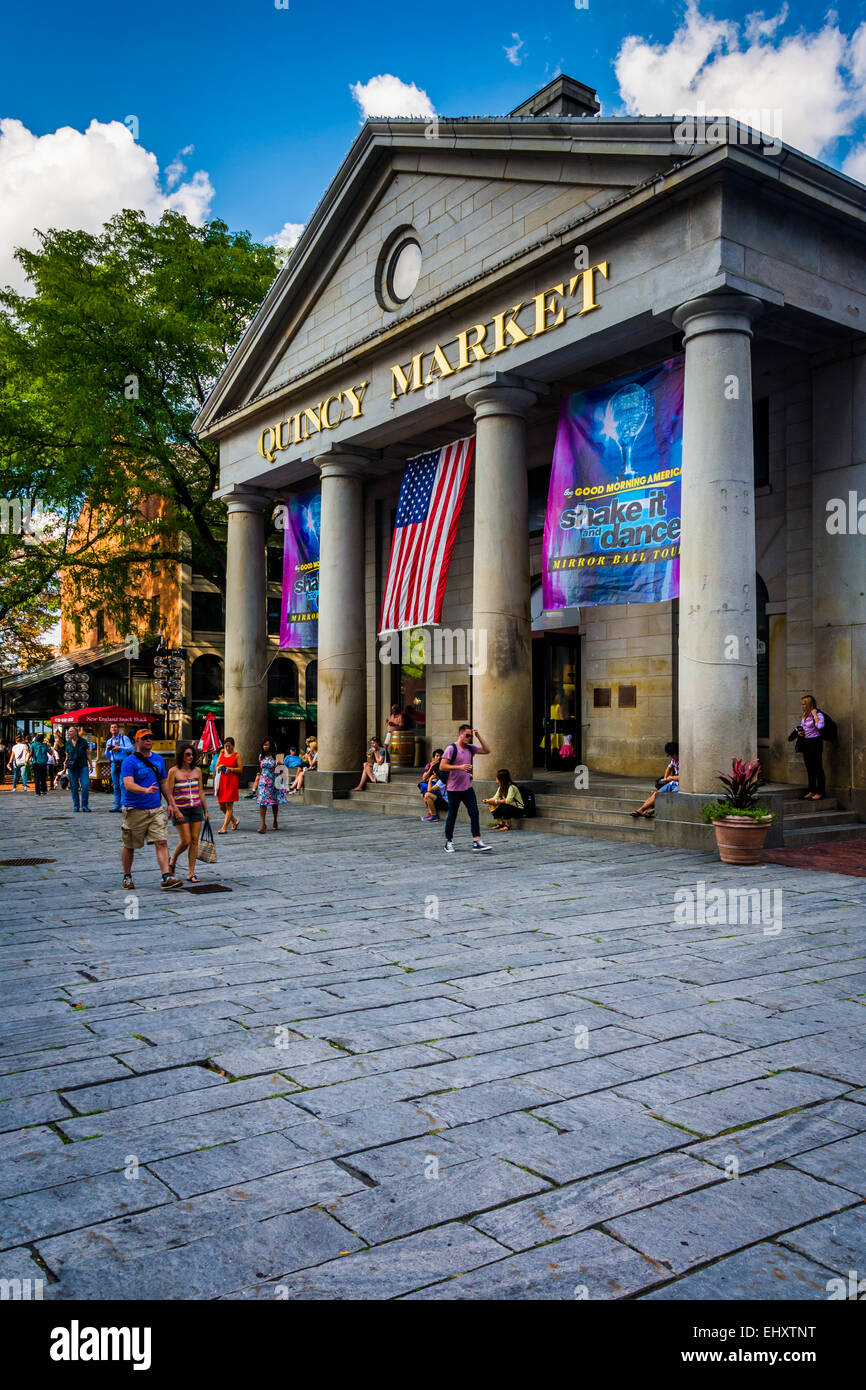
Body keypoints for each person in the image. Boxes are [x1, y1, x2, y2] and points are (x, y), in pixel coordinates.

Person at [120, 729, 184, 890]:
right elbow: (128, 784)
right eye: (144, 738)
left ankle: (166, 876)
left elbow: (163, 782)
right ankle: (127, 876)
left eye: (150, 738)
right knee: (130, 845)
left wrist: (171, 803)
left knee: (161, 841)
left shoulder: (158, 760)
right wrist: (144, 790)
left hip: (155, 808)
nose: (148, 740)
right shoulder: (129, 762)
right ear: (136, 741)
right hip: (135, 809)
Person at [440, 725, 492, 852]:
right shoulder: (451, 749)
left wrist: (478, 736)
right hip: (453, 789)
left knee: (474, 812)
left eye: (470, 736)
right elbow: (442, 766)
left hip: (467, 788)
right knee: (452, 815)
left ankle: (477, 841)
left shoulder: (470, 748)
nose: (469, 738)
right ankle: (448, 841)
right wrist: (459, 767)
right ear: (460, 734)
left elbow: (487, 750)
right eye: (467, 735)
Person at [166, 743, 210, 882]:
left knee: (194, 840)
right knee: (185, 840)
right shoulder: (173, 771)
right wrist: (175, 809)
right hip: (181, 808)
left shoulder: (197, 771)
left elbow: (201, 792)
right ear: (181, 756)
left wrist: (206, 810)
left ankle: (191, 872)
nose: (190, 757)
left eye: (192, 754)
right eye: (187, 754)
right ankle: (173, 859)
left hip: (196, 807)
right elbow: (169, 793)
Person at [789, 695, 826, 800]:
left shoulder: (818, 714)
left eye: (804, 704)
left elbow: (820, 726)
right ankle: (812, 790)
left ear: (809, 704)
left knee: (818, 768)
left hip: (815, 743)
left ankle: (820, 792)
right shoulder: (804, 715)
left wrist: (815, 715)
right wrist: (800, 732)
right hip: (806, 743)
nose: (802, 706)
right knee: (810, 768)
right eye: (802, 704)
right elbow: (805, 728)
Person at [631, 741, 679, 818]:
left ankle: (652, 811)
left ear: (675, 753)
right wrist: (665, 779)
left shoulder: (684, 761)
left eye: (671, 755)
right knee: (657, 794)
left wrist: (672, 777)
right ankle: (641, 809)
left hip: (681, 785)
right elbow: (669, 768)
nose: (670, 757)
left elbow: (684, 777)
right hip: (673, 783)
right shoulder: (674, 760)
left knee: (669, 796)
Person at [253, 737, 286, 832]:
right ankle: (262, 825)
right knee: (262, 802)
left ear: (270, 745)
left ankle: (275, 820)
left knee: (274, 802)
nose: (265, 746)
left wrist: (280, 765)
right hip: (263, 782)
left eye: (267, 744)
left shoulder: (275, 756)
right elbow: (260, 769)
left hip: (273, 781)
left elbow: (281, 771)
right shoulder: (261, 756)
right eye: (264, 745)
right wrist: (258, 778)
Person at [104, 722, 134, 811]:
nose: (113, 728)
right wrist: (107, 750)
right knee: (116, 785)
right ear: (110, 730)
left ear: (118, 729)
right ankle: (117, 806)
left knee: (122, 784)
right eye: (112, 727)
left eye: (115, 727)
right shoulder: (109, 741)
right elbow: (106, 756)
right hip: (114, 764)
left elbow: (131, 748)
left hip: (123, 763)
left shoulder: (124, 738)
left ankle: (123, 805)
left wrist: (120, 748)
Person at [214, 736, 241, 833]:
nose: (227, 748)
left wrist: (231, 769)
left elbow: (240, 769)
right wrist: (220, 766)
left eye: (229, 746)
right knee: (221, 806)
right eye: (226, 746)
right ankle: (234, 820)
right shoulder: (221, 755)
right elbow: (215, 767)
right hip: (222, 781)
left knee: (229, 805)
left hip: (232, 781)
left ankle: (224, 827)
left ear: (233, 746)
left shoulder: (237, 755)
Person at [65, 725, 94, 812]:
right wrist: (65, 764)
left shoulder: (83, 741)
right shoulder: (68, 743)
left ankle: (85, 805)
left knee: (85, 786)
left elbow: (88, 753)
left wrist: (91, 764)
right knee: (74, 786)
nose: (69, 733)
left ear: (76, 733)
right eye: (68, 731)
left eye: (71, 731)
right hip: (72, 767)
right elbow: (67, 755)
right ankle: (76, 805)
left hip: (83, 766)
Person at [419, 749, 447, 822]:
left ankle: (434, 816)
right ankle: (431, 813)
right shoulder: (430, 765)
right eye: (437, 756)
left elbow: (429, 790)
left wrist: (431, 778)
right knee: (423, 794)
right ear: (434, 757)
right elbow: (424, 779)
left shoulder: (443, 777)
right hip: (438, 791)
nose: (439, 758)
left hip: (445, 800)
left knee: (427, 794)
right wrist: (431, 767)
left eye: (440, 756)